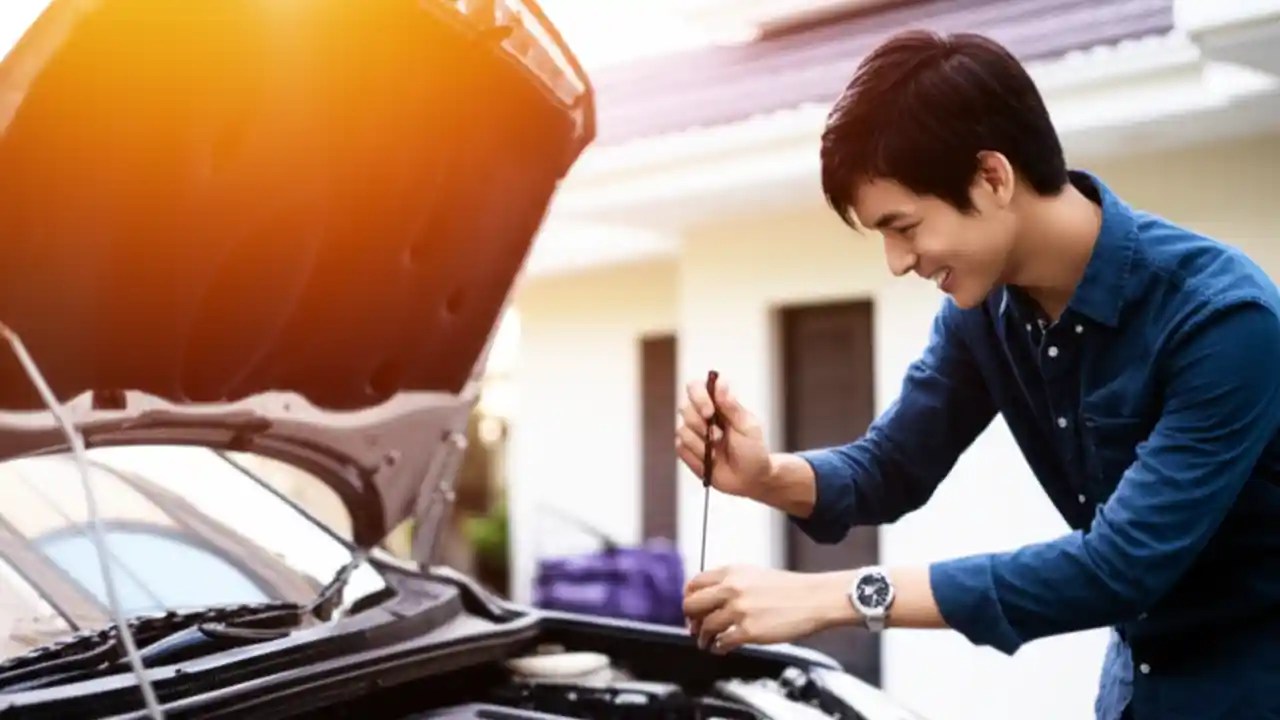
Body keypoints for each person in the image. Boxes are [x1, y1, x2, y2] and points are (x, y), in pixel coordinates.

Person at [674, 29, 1280, 720]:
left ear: (993, 177)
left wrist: (829, 597)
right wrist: (764, 475)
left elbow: (1119, 567)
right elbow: (891, 467)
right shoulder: (986, 311)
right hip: (1132, 695)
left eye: (904, 227)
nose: (897, 262)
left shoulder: (1222, 321)